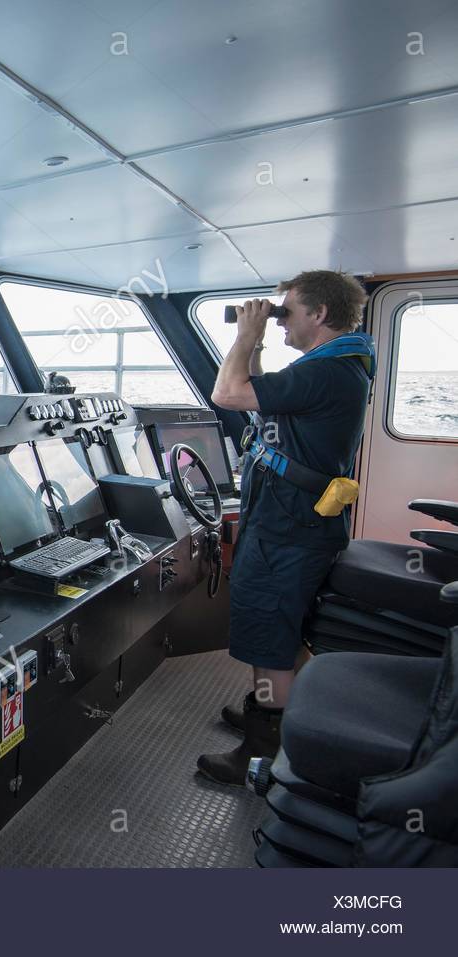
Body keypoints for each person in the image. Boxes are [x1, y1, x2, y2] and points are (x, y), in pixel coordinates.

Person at [198, 270, 375, 786]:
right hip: (294, 525)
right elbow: (256, 389)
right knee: (283, 630)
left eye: (287, 312)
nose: (280, 323)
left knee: (270, 638)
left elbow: (229, 394)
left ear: (319, 315)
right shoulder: (336, 365)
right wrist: (255, 348)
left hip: (287, 532)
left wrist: (244, 336)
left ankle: (264, 752)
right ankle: (273, 712)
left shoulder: (327, 372)